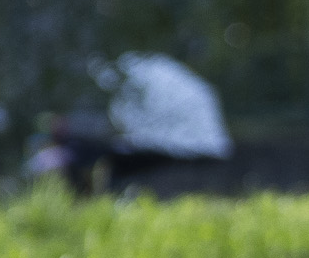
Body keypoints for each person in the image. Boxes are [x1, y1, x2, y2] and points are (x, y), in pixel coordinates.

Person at [30, 51, 232, 195]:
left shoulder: (144, 87)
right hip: (167, 140)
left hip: (169, 145)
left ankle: (86, 195)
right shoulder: (141, 82)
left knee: (96, 154)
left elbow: (117, 126)